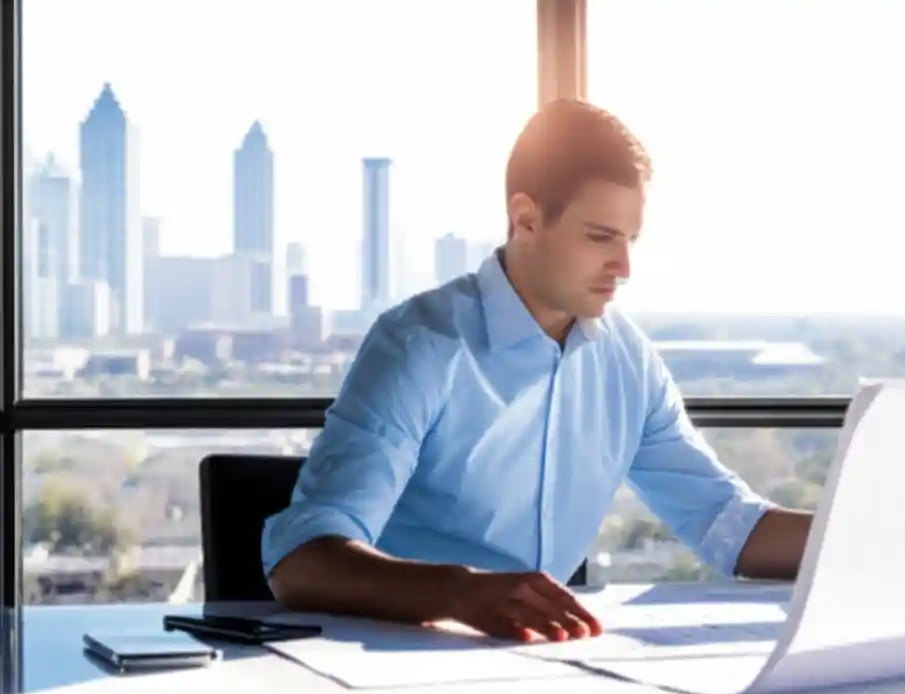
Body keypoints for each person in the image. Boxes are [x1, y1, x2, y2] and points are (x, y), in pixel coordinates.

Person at [262, 99, 813, 644]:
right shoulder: (421, 347)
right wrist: (462, 593)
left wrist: (876, 542)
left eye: (630, 240)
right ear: (525, 218)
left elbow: (728, 526)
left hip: (544, 666)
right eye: (600, 237)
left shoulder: (627, 361)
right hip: (393, 663)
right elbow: (304, 561)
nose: (624, 267)